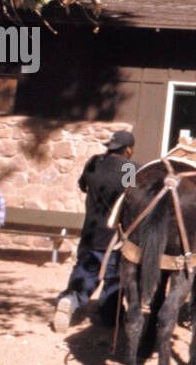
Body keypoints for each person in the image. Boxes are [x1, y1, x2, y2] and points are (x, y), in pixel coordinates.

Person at [52, 129, 134, 332]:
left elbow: (83, 186)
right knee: (113, 280)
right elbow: (130, 199)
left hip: (90, 232)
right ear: (129, 150)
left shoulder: (94, 162)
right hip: (114, 237)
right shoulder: (129, 169)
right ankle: (110, 317)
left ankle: (70, 300)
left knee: (84, 273)